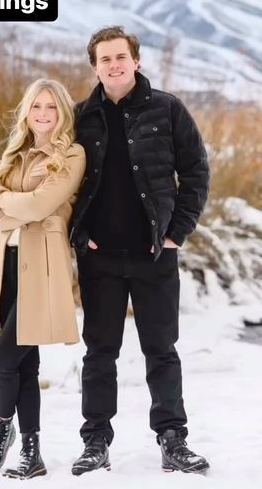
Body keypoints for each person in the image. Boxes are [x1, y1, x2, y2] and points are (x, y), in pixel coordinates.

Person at [69, 26, 210, 476]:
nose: (113, 65)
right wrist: (77, 231)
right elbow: (60, 182)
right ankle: (95, 442)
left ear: (136, 60)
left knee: (161, 349)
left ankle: (173, 440)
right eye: (104, 59)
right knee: (99, 352)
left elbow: (196, 172)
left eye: (120, 57)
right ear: (95, 66)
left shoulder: (168, 109)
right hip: (100, 258)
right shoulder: (80, 116)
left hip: (155, 254)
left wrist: (177, 231)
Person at [0, 78, 85, 479]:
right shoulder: (15, 153)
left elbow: (43, 203)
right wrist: (16, 206)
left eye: (51, 107)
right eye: (36, 106)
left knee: (5, 359)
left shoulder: (71, 154)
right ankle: (32, 453)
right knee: (25, 364)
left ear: (63, 113)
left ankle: (3, 430)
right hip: (6, 261)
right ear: (26, 111)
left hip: (43, 267)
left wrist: (9, 201)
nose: (42, 114)